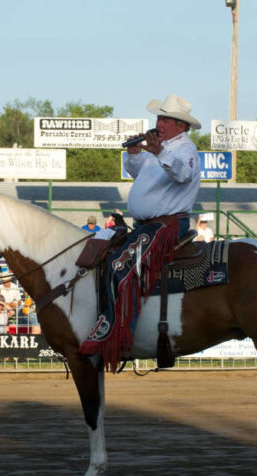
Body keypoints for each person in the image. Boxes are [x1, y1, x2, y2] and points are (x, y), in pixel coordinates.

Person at [82, 94, 202, 366]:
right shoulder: (159, 148)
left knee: (121, 266)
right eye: (159, 117)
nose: (159, 123)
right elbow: (140, 174)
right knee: (105, 258)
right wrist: (135, 155)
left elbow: (182, 174)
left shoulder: (185, 149)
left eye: (166, 119)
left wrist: (159, 152)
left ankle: (121, 337)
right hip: (148, 225)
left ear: (181, 126)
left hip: (168, 224)